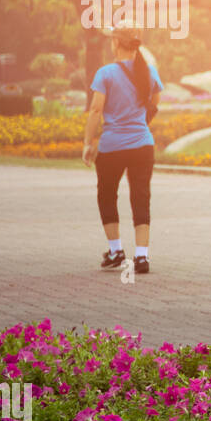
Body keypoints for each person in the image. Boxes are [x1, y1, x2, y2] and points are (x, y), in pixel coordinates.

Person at [82, 25, 163, 275]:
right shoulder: (149, 72)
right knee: (141, 197)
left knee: (107, 195)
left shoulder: (106, 73)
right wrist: (140, 123)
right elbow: (155, 101)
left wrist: (88, 143)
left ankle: (116, 251)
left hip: (112, 147)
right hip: (142, 145)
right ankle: (142, 256)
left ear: (116, 42)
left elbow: (96, 110)